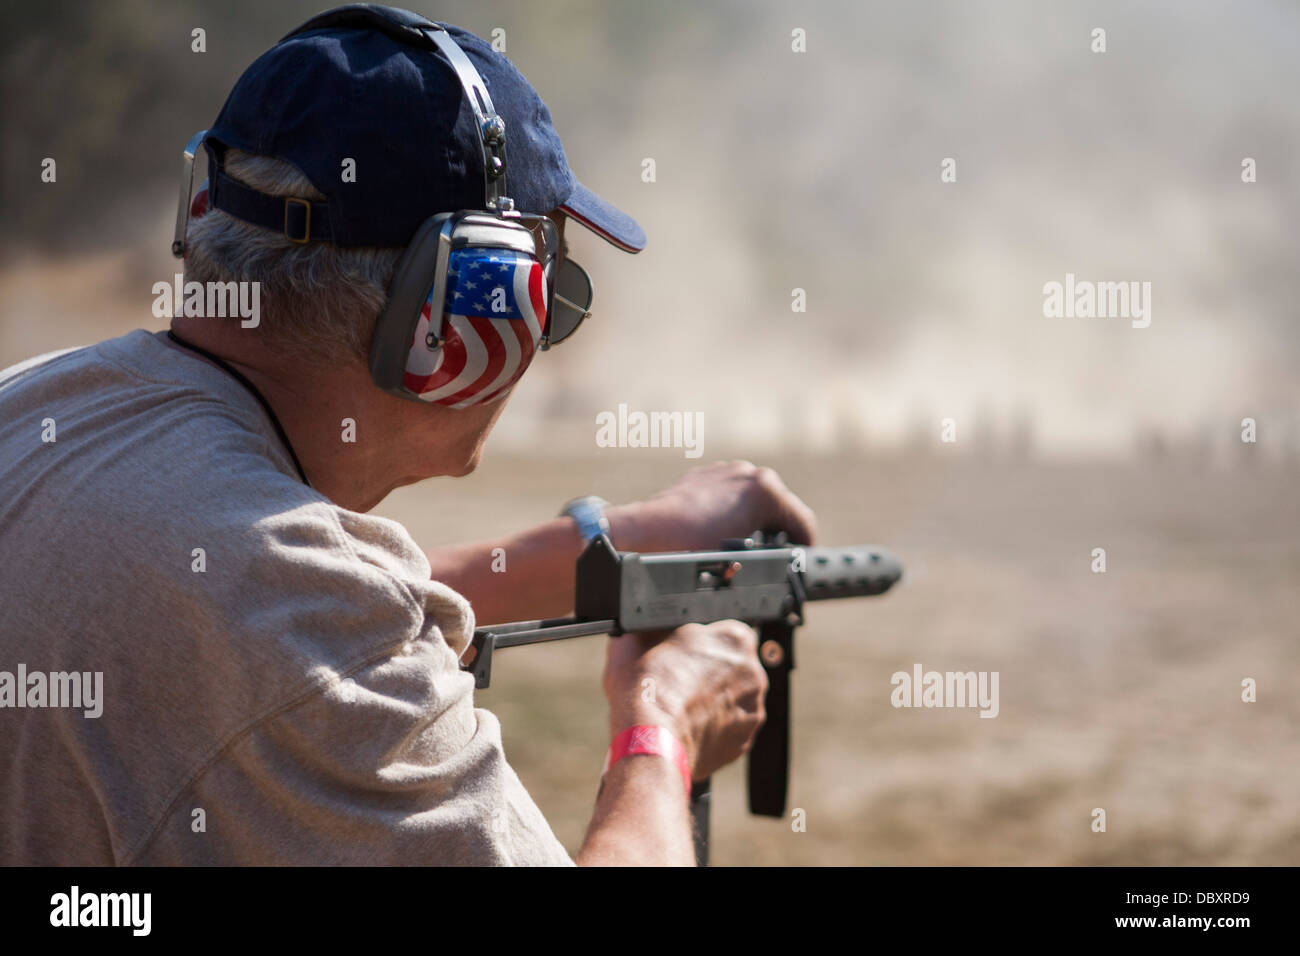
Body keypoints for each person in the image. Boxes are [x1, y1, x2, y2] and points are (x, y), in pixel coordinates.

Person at [0, 6, 815, 866]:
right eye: (554, 291)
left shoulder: (42, 402)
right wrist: (664, 729)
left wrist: (606, 546)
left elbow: (276, 600)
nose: (549, 328)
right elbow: (304, 626)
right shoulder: (290, 620)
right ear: (466, 310)